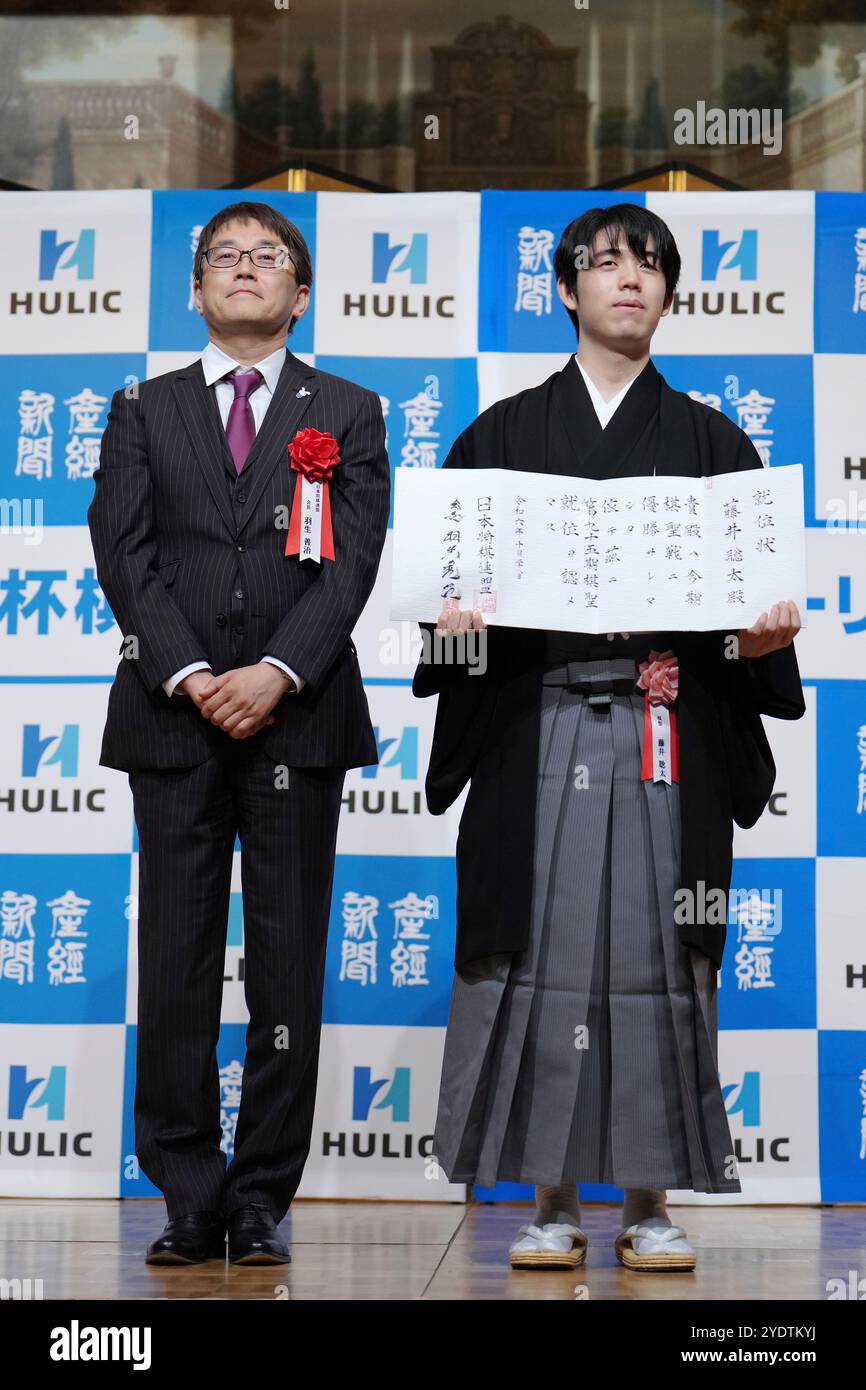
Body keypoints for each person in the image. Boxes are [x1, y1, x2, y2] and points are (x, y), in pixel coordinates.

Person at [412, 203, 804, 1273]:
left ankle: (647, 1194)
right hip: (532, 727)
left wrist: (757, 636)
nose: (628, 280)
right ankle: (545, 1195)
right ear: (563, 289)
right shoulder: (497, 439)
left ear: (670, 295)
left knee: (653, 955)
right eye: (606, 263)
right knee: (536, 949)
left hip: (665, 734)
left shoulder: (713, 441)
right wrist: (452, 630)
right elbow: (443, 632)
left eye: (650, 266)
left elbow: (750, 620)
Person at [87, 200, 389, 1266]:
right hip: (171, 718)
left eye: (269, 257)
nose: (246, 269)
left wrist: (272, 671)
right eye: (226, 257)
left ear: (300, 292)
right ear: (196, 289)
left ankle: (260, 1195)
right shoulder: (141, 408)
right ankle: (185, 1189)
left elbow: (352, 560)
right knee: (171, 962)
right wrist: (191, 672)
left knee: (286, 965)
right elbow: (123, 552)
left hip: (295, 717)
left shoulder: (347, 409)